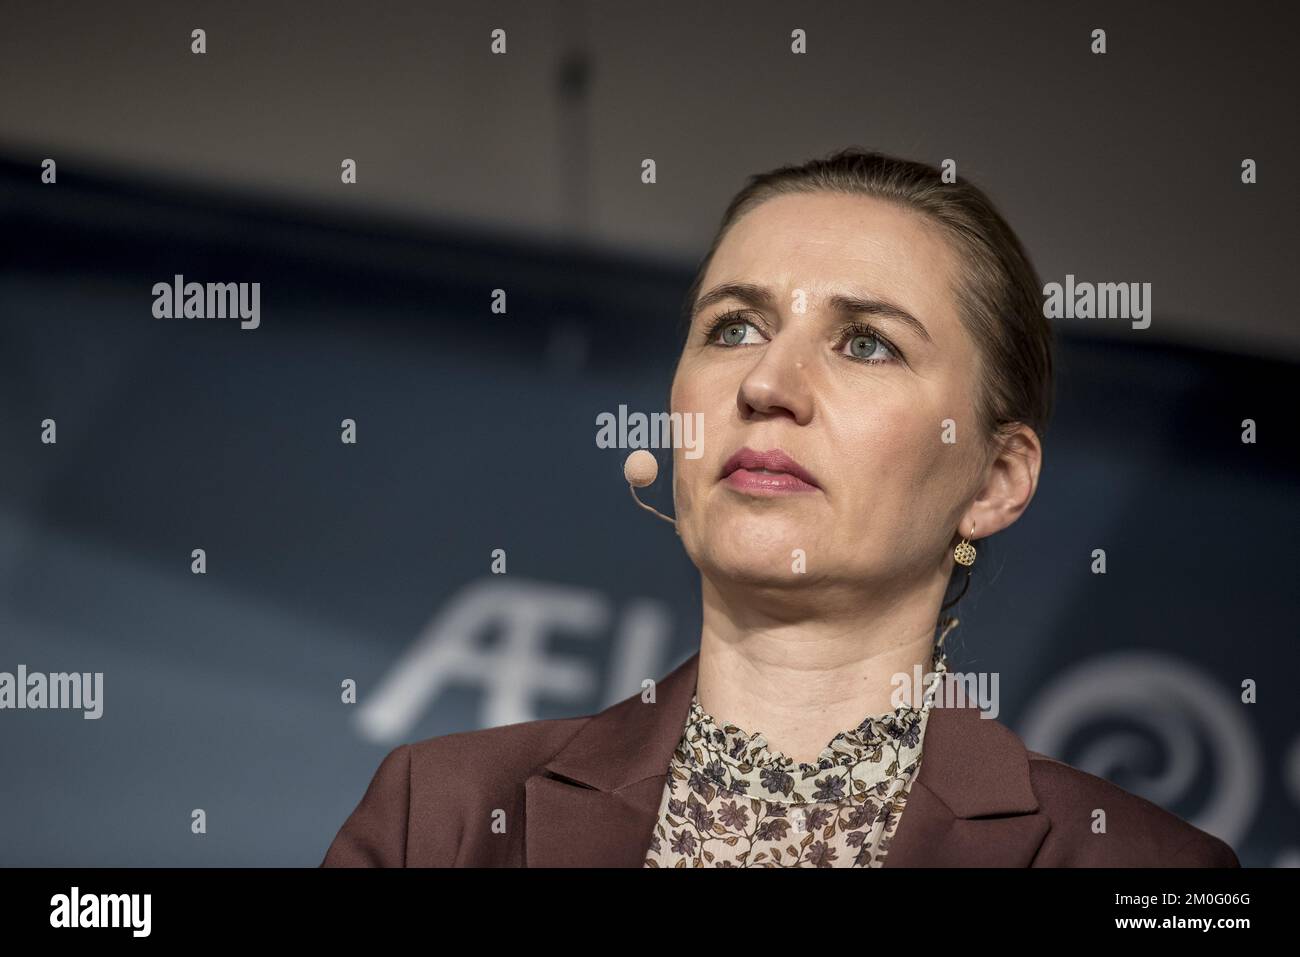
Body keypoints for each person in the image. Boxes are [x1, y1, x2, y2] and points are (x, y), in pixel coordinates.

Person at [321, 148, 1240, 868]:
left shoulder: (1145, 868)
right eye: (734, 328)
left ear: (995, 480)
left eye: (868, 344)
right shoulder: (439, 818)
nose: (767, 382)